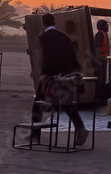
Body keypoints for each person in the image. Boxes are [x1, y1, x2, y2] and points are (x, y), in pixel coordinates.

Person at [34, 13, 89, 146]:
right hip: (67, 75)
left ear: (43, 24)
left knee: (38, 104)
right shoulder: (64, 37)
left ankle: (35, 134)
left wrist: (41, 72)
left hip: (52, 77)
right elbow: (71, 56)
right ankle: (80, 128)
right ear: (54, 23)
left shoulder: (43, 38)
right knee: (65, 103)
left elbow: (45, 59)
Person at [93, 19, 111, 105]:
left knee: (103, 79)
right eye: (106, 25)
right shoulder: (100, 34)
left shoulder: (104, 34)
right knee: (100, 79)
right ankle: (99, 98)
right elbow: (96, 48)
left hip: (103, 59)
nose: (108, 27)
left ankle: (102, 98)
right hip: (100, 60)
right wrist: (97, 60)